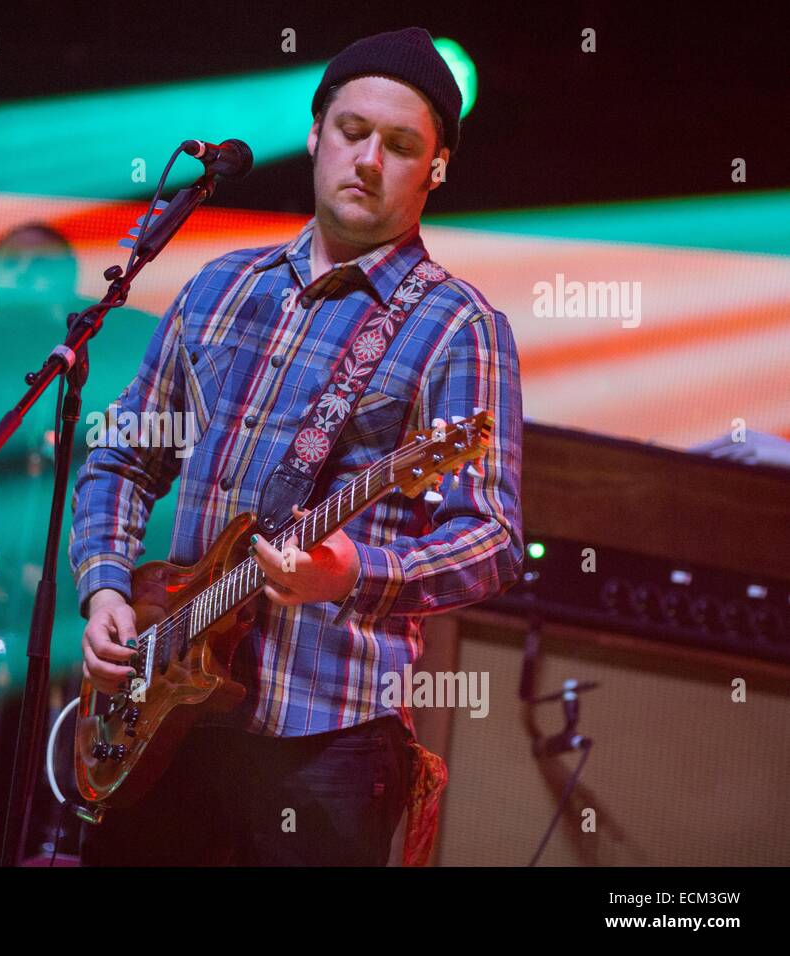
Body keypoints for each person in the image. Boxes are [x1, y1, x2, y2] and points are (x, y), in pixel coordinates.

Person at [69, 27, 524, 866]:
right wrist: (104, 590)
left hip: (333, 737)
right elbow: (123, 456)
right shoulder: (220, 286)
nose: (368, 160)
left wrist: (357, 575)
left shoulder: (461, 327)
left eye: (400, 146)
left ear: (436, 169)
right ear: (315, 135)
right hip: (171, 708)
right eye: (352, 132)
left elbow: (493, 539)